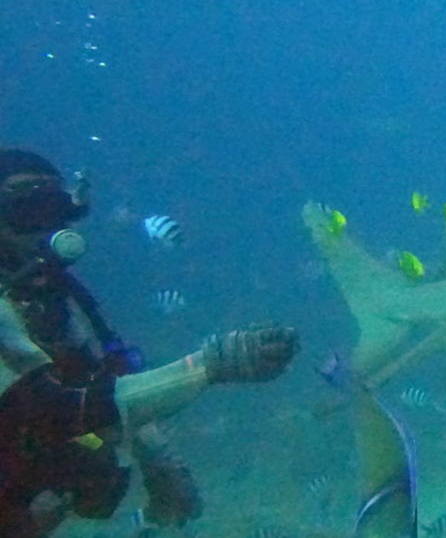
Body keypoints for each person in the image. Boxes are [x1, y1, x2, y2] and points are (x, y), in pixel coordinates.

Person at [0, 149, 300, 537]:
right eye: (27, 210)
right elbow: (58, 410)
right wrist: (209, 366)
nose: (45, 230)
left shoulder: (51, 297)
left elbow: (94, 382)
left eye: (54, 210)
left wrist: (158, 457)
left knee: (85, 460)